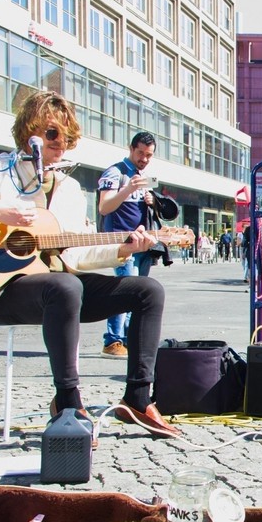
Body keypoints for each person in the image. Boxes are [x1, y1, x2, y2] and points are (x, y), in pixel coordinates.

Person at [0, 90, 178, 438]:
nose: (60, 144)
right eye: (52, 134)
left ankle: (137, 399)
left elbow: (75, 255)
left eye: (67, 138)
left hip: (57, 289)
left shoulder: (68, 188)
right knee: (65, 286)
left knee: (147, 290)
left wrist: (124, 248)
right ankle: (68, 404)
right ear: (28, 131)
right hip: (0, 291)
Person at [97, 132, 158, 359]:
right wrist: (128, 190)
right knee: (125, 290)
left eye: (148, 155)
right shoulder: (116, 172)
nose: (143, 158)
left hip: (143, 242)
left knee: (136, 293)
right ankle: (112, 340)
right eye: (140, 153)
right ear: (131, 149)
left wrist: (152, 200)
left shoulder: (143, 176)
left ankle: (127, 338)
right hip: (121, 242)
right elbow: (104, 207)